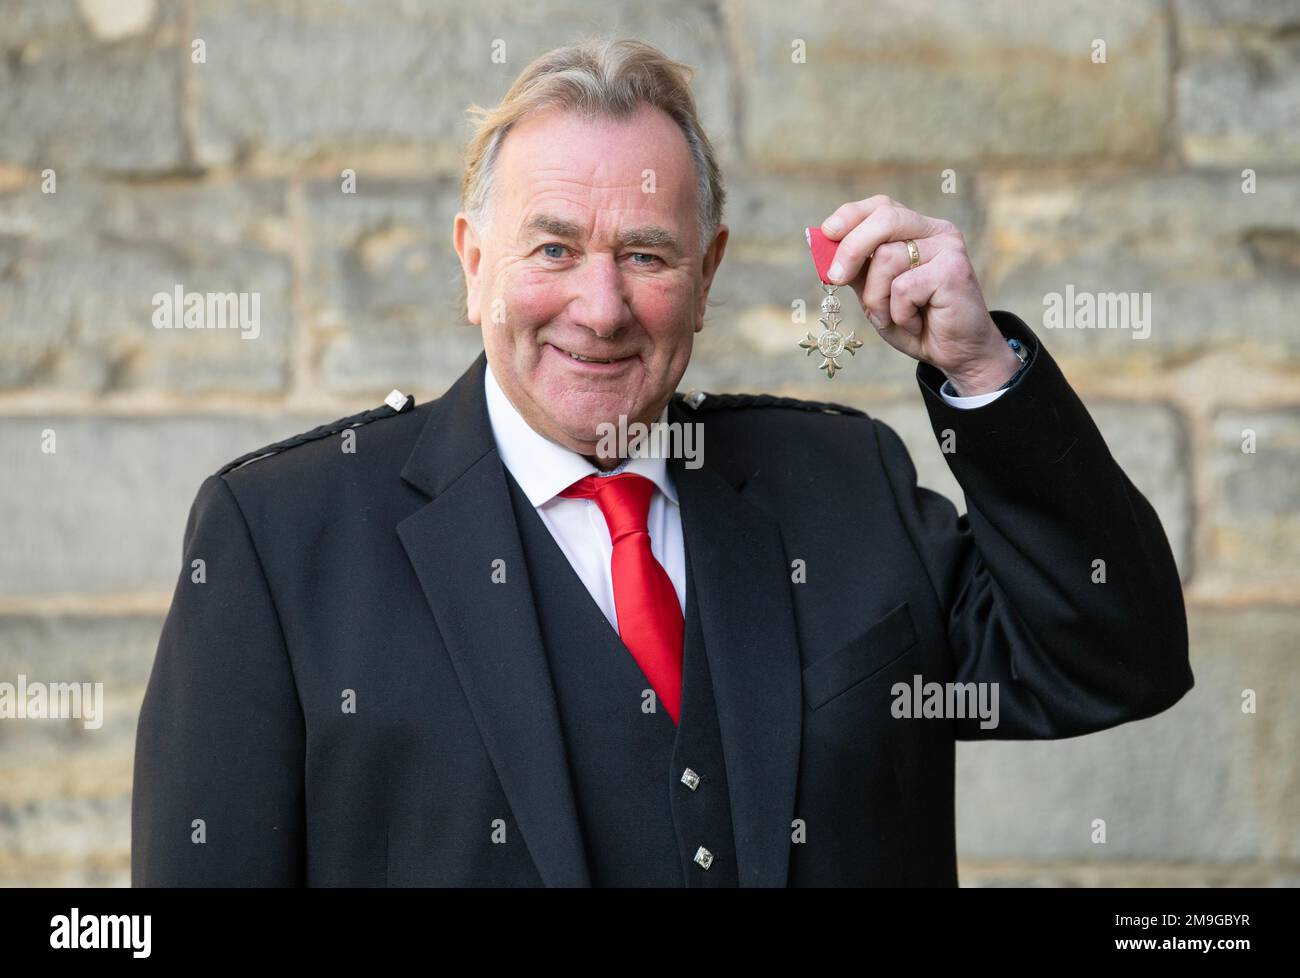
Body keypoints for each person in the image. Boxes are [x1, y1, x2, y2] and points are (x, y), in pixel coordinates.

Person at [132, 37, 1192, 887]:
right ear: (472, 263)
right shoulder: (280, 541)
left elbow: (1112, 661)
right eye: (553, 250)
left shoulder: (839, 485)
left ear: (706, 272)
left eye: (645, 254)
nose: (600, 310)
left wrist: (978, 369)